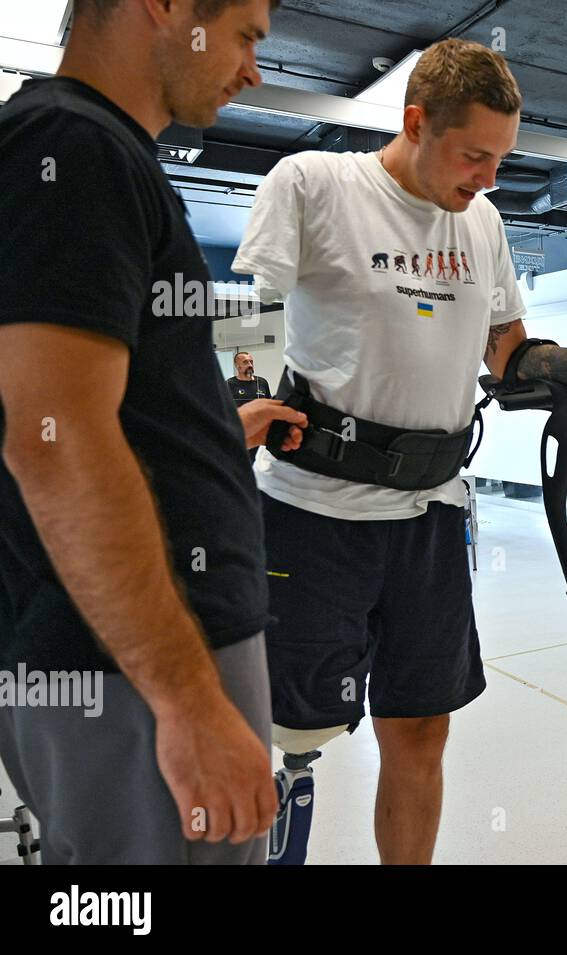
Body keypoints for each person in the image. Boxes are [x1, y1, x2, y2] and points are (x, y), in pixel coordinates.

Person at [232, 38, 567, 865]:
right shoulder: (316, 185)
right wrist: (225, 407)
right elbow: (248, 315)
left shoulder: (485, 223)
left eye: (502, 159)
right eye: (475, 155)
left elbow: (511, 357)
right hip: (313, 511)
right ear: (416, 122)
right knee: (287, 731)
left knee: (421, 729)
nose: (489, 178)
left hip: (429, 515)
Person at [0, 0, 305, 864]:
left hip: (136, 654)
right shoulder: (70, 148)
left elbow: (98, 409)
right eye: (246, 35)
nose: (252, 68)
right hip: (134, 667)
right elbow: (54, 443)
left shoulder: (95, 152)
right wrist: (188, 703)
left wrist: (212, 432)